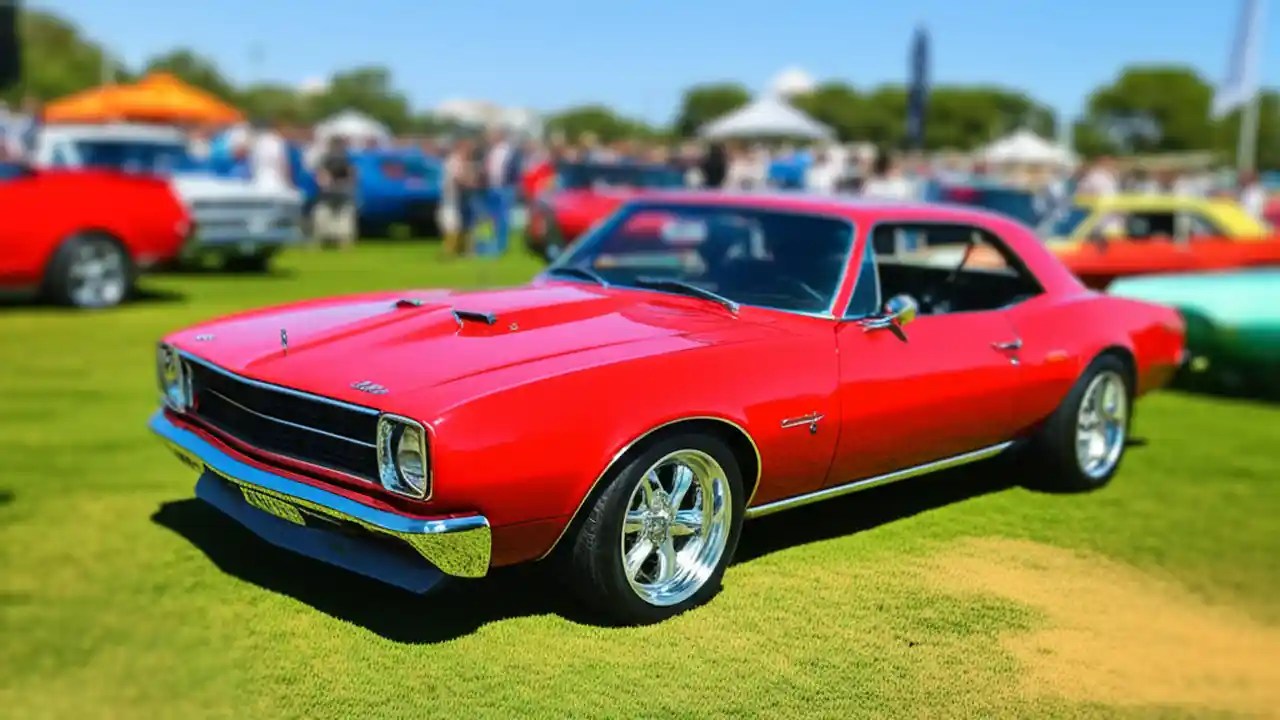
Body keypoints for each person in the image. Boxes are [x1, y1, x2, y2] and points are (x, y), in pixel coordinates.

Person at [311, 135, 357, 249]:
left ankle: (339, 241)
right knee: (329, 215)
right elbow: (322, 175)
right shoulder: (340, 158)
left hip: (337, 192)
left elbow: (351, 175)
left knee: (340, 217)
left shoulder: (339, 159)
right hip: (333, 192)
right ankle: (338, 242)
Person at [439, 137, 481, 257]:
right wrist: (471, 183)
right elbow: (458, 179)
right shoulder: (454, 161)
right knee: (456, 224)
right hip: (455, 197)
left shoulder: (464, 161)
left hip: (461, 197)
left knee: (466, 223)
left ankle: (463, 249)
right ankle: (453, 250)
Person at [479, 126, 515, 257]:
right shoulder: (491, 151)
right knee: (492, 218)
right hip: (492, 187)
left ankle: (502, 245)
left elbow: (514, 169)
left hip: (505, 188)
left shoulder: (509, 151)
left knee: (503, 218)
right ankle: (492, 245)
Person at [250, 119, 291, 189]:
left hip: (260, 180)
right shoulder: (277, 141)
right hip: (275, 180)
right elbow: (283, 164)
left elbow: (253, 162)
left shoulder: (259, 141)